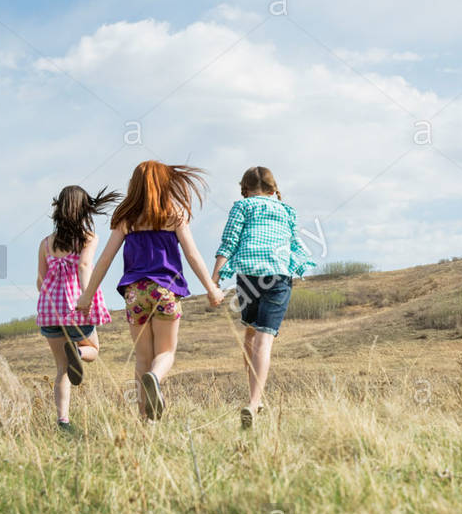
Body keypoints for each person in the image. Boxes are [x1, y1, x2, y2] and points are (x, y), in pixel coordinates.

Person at [76, 161, 224, 419]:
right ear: (164, 183)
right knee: (165, 353)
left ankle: (146, 420)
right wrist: (211, 288)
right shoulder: (174, 214)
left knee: (142, 358)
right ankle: (155, 378)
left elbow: (105, 259)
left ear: (135, 186)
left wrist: (87, 296)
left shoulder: (127, 219)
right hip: (166, 291)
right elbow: (192, 254)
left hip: (135, 293)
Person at [211, 165, 318, 428]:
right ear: (273, 189)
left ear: (245, 190)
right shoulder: (287, 210)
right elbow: (294, 244)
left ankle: (254, 398)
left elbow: (229, 242)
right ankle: (254, 400)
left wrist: (214, 280)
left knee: (249, 333)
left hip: (248, 275)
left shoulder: (242, 207)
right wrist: (300, 265)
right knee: (264, 340)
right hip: (278, 276)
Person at [36, 184, 121, 432]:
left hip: (49, 311)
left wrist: (50, 299)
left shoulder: (46, 243)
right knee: (93, 348)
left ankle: (63, 421)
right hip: (75, 307)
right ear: (85, 210)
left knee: (61, 368)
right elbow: (85, 265)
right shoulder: (88, 238)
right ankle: (79, 352)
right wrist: (87, 297)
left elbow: (40, 280)